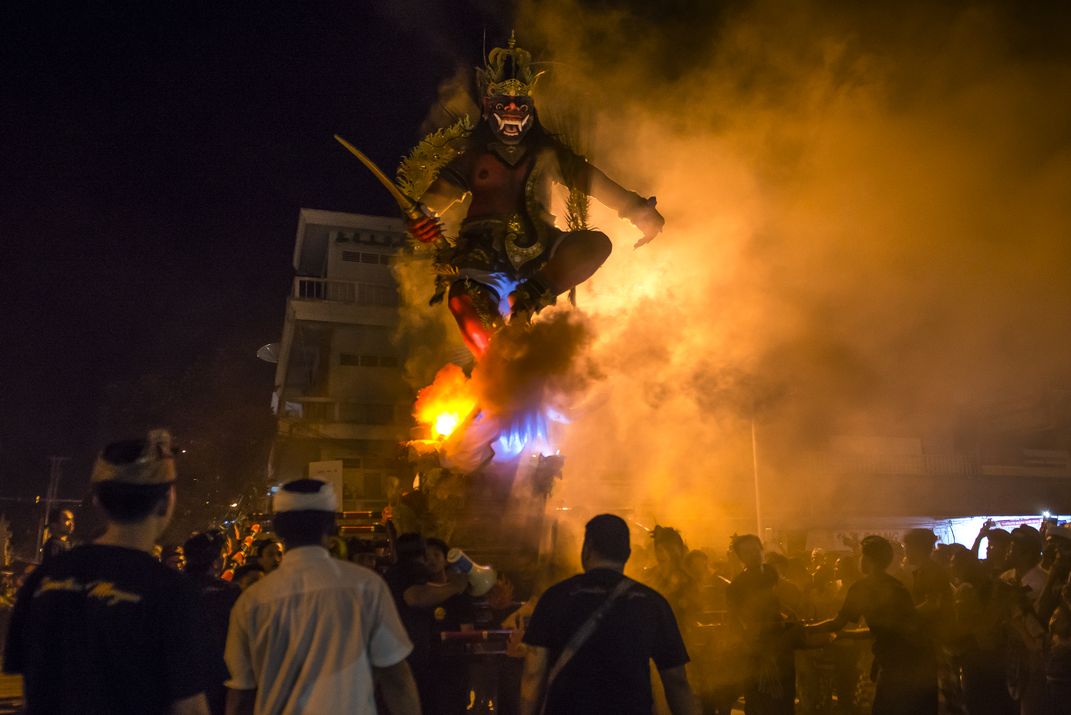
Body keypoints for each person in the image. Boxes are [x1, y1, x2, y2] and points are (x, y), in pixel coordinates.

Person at [401, 34, 665, 358]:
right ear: (488, 106)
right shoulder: (472, 156)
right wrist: (422, 219)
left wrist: (637, 208)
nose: (512, 109)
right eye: (503, 103)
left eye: (520, 104)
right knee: (461, 299)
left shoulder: (548, 153)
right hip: (483, 254)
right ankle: (494, 371)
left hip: (540, 249)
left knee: (596, 245)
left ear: (531, 108)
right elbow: (432, 201)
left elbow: (591, 180)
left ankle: (529, 298)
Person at [3, 429, 211, 714]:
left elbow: (31, 693)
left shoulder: (44, 578)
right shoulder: (172, 593)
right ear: (165, 501)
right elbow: (190, 708)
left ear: (98, 500)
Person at [224, 478, 419, 715]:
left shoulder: (251, 601)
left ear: (278, 528)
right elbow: (397, 679)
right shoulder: (366, 587)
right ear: (331, 525)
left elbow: (241, 693)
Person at [520, 513, 697, 715]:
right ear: (627, 554)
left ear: (586, 550)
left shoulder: (555, 598)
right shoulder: (651, 603)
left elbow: (533, 673)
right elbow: (676, 681)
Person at [807, 535, 937, 715]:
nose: (859, 559)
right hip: (918, 663)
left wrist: (807, 629)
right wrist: (847, 634)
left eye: (861, 555)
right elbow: (885, 629)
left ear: (869, 560)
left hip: (897, 665)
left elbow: (837, 622)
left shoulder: (862, 588)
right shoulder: (896, 586)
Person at [384, 532, 469, 712]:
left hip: (403, 655)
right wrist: (455, 586)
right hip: (410, 658)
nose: (429, 560)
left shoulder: (395, 573)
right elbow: (415, 597)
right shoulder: (411, 571)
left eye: (436, 555)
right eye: (427, 554)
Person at [725, 534, 797, 715]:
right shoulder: (737, 585)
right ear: (741, 558)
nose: (753, 555)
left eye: (756, 550)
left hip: (782, 647)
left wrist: (788, 614)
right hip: (755, 653)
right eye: (747, 552)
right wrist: (755, 647)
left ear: (762, 550)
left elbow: (780, 605)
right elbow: (735, 621)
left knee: (785, 699)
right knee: (759, 701)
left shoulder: (771, 573)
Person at [184, 531, 240, 715]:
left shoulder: (169, 588)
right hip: (221, 677)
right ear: (215, 560)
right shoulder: (228, 592)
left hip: (183, 680)